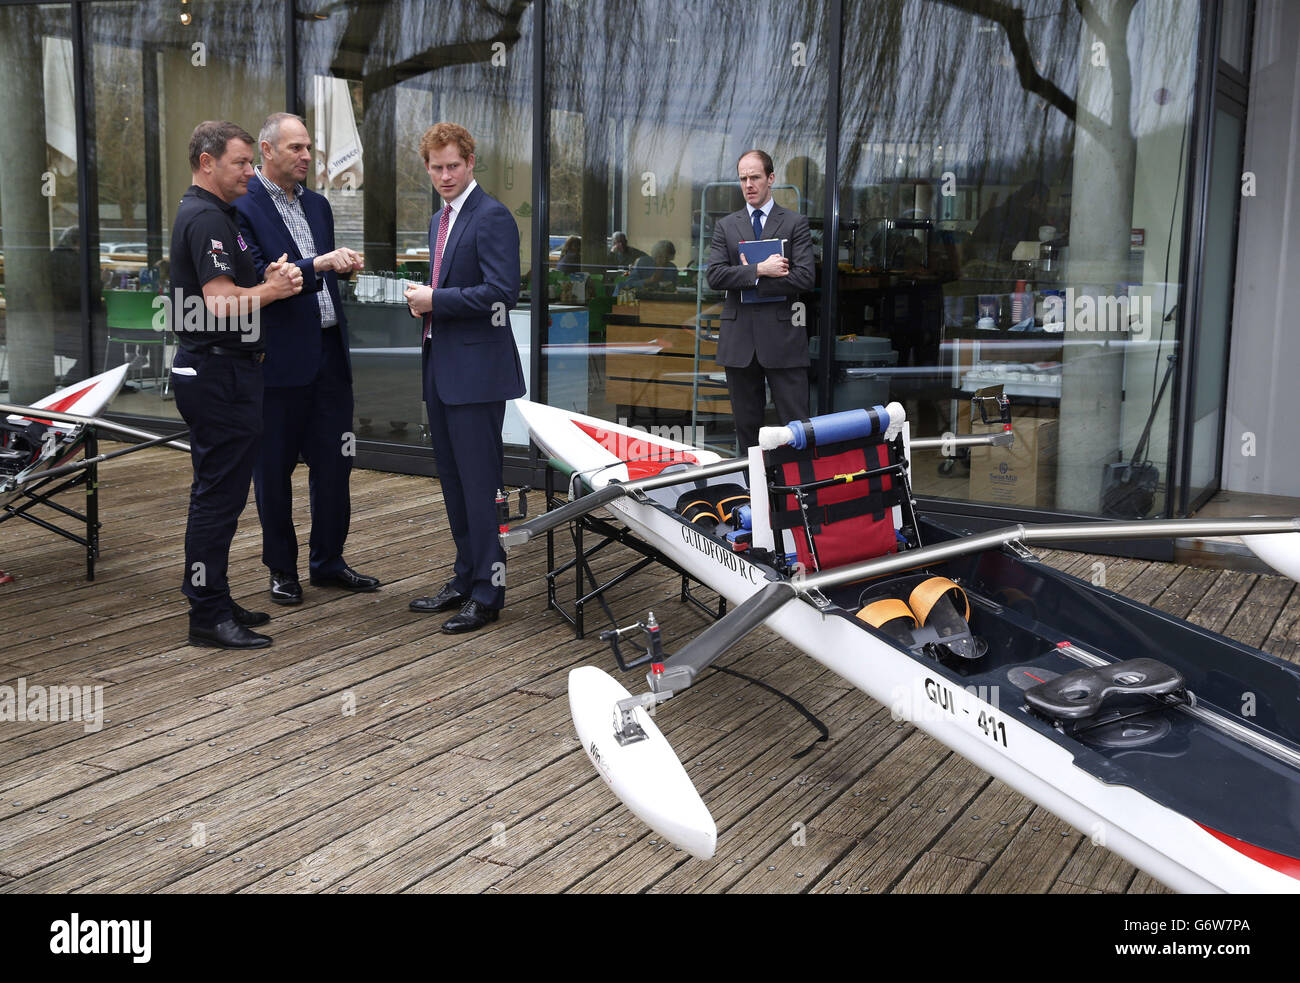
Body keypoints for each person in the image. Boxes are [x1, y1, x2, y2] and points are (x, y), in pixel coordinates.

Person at [233, 112, 379, 607]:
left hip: (330, 356)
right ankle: (281, 569)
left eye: (309, 147)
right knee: (273, 470)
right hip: (278, 361)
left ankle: (329, 562)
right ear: (267, 151)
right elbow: (258, 274)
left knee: (336, 464)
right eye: (295, 148)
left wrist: (343, 267)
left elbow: (322, 277)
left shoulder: (317, 205)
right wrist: (319, 264)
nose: (306, 156)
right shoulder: (244, 207)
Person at [169, 120, 303, 648]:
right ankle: (206, 614)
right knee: (217, 497)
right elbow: (220, 303)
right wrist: (271, 289)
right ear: (207, 163)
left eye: (251, 161)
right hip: (217, 372)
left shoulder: (216, 214)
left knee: (220, 492)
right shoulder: (206, 218)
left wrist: (263, 278)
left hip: (224, 370)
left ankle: (212, 595)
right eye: (241, 162)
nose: (251, 170)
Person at [403, 123, 524, 634]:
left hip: (476, 374)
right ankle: (464, 577)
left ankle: (488, 591)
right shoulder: (439, 220)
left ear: (471, 161)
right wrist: (426, 309)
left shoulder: (492, 215)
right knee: (453, 482)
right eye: (436, 168)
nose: (445, 175)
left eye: (453, 165)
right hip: (441, 363)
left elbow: (502, 293)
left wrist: (436, 302)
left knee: (480, 485)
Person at [706, 149, 815, 454]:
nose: (748, 184)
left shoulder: (795, 223)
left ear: (771, 179)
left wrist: (748, 279)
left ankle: (798, 494)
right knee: (747, 432)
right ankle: (754, 494)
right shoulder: (726, 226)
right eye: (743, 179)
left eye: (755, 177)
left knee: (797, 427)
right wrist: (759, 271)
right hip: (739, 343)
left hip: (784, 341)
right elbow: (714, 277)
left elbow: (806, 278)